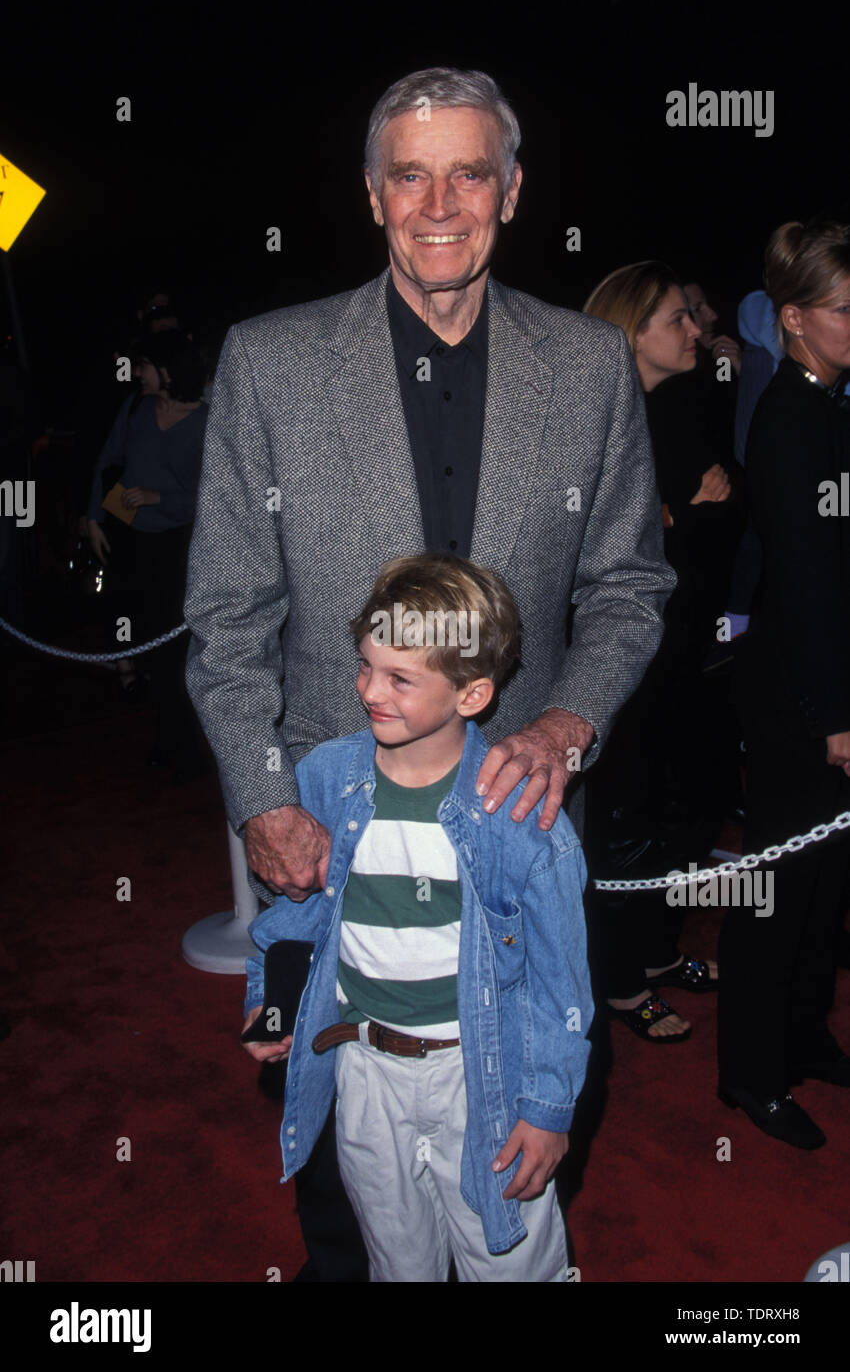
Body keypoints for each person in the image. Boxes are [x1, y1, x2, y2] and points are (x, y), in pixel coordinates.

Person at [185, 67, 675, 1279]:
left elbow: (627, 587)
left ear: (510, 193)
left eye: (469, 172)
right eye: (411, 173)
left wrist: (564, 724)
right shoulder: (270, 362)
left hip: (521, 817)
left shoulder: (589, 367)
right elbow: (226, 614)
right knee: (351, 1189)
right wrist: (262, 797)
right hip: (329, 828)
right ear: (371, 193)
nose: (439, 201)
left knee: (525, 1133)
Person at [241, 554, 594, 1281]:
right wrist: (269, 1002)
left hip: (483, 1076)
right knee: (398, 1261)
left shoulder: (519, 812)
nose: (370, 691)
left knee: (511, 1262)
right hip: (366, 1071)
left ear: (472, 695)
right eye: (366, 666)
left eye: (400, 678)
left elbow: (560, 981)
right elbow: (297, 915)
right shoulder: (327, 778)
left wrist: (548, 1109)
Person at [717, 219, 850, 1149]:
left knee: (823, 880)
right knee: (774, 890)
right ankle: (751, 1075)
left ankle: (802, 1035)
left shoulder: (831, 400)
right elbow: (806, 584)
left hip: (826, 678)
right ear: (794, 318)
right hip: (802, 691)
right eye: (847, 309)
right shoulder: (793, 418)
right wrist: (836, 716)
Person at [583, 262, 741, 1040]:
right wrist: (680, 514)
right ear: (631, 330)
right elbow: (592, 543)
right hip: (617, 659)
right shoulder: (592, 420)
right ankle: (615, 982)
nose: (696, 330)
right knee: (623, 817)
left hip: (678, 646)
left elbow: (722, 507)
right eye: (679, 319)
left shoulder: (673, 408)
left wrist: (683, 515)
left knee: (679, 806)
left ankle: (652, 955)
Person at [87, 329, 209, 779]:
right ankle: (166, 736)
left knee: (174, 652)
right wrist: (94, 517)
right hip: (130, 541)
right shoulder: (136, 408)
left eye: (145, 366)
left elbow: (216, 499)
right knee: (140, 640)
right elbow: (106, 463)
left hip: (177, 547)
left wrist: (160, 499)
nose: (137, 374)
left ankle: (183, 745)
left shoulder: (205, 422)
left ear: (168, 371)